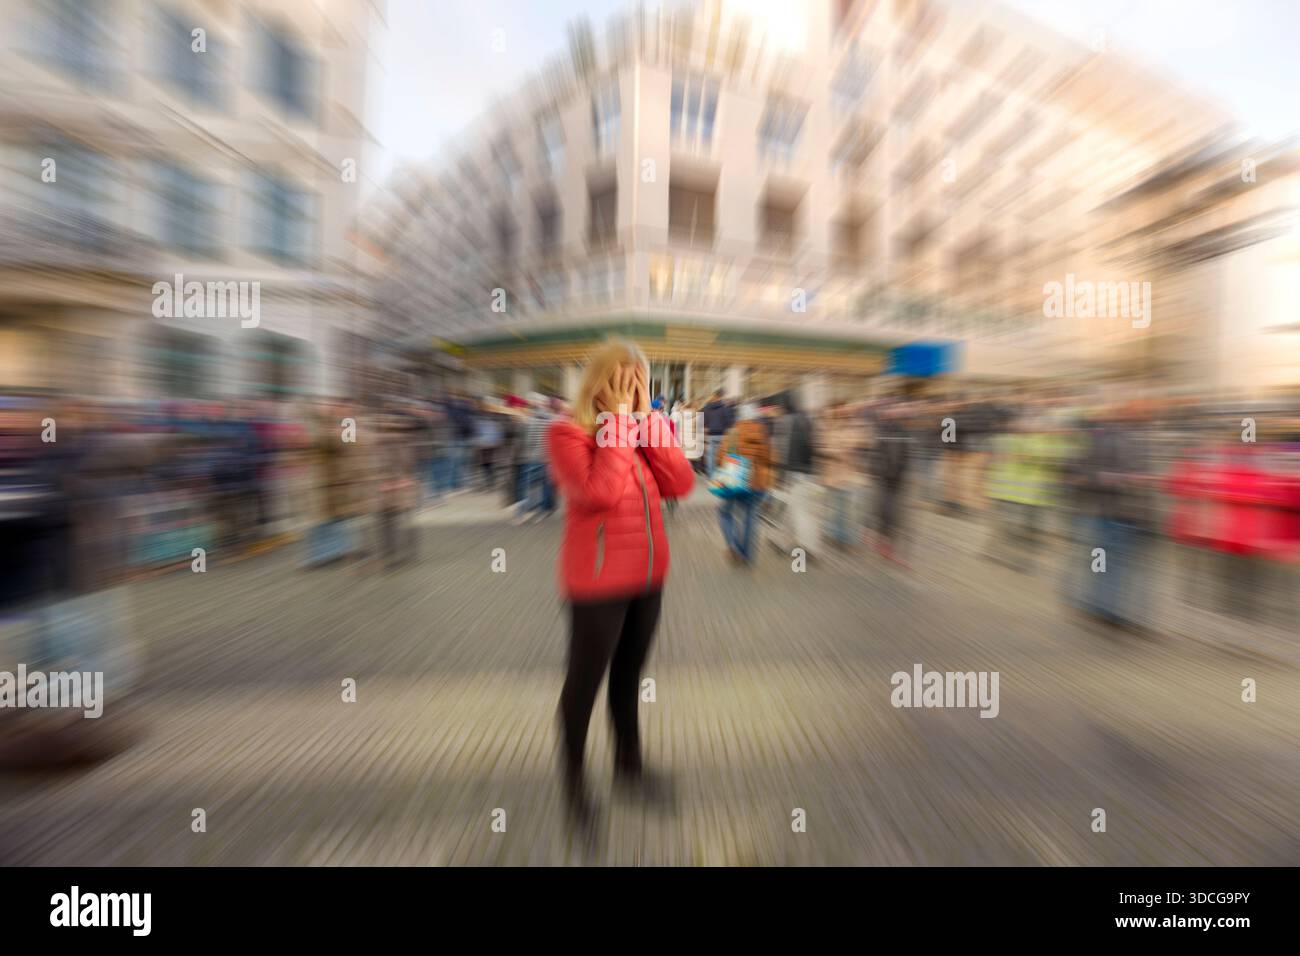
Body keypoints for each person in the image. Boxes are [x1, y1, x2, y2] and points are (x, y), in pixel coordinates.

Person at [547, 340, 695, 828]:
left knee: (628, 680)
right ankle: (573, 787)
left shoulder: (639, 430)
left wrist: (647, 421)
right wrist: (615, 421)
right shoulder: (567, 434)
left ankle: (628, 768)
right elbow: (600, 493)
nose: (632, 390)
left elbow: (681, 484)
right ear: (600, 382)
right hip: (597, 584)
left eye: (640, 380)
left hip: (647, 579)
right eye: (623, 380)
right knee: (584, 685)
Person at [715, 402, 772, 564]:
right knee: (750, 518)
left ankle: (734, 546)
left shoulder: (732, 433)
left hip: (734, 482)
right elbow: (769, 459)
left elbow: (720, 459)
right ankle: (747, 556)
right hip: (756, 483)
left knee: (724, 513)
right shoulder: (762, 433)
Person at [771, 389, 818, 559]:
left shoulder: (784, 421)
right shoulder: (807, 419)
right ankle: (782, 541)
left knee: (799, 510)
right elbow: (813, 445)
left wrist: (778, 474)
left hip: (791, 471)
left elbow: (780, 450)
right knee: (791, 507)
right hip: (807, 471)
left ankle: (808, 547)